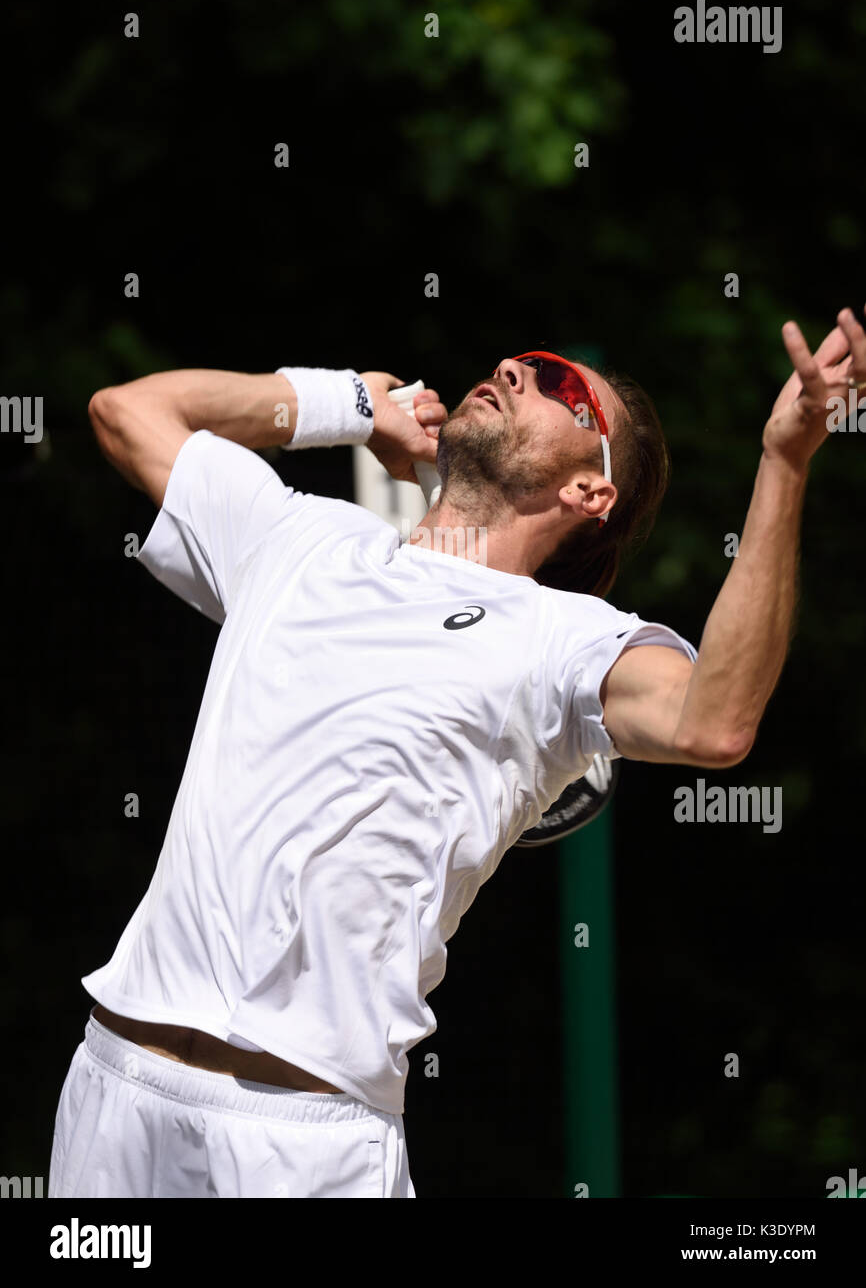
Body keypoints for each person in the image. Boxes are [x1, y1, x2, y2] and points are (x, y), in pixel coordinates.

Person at [48, 308, 866, 1198]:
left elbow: (715, 721)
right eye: (525, 360)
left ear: (591, 494)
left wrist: (784, 463)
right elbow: (127, 412)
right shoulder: (303, 538)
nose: (517, 367)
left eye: (561, 385)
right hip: (116, 1088)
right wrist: (353, 404)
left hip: (304, 1144)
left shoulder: (567, 639)